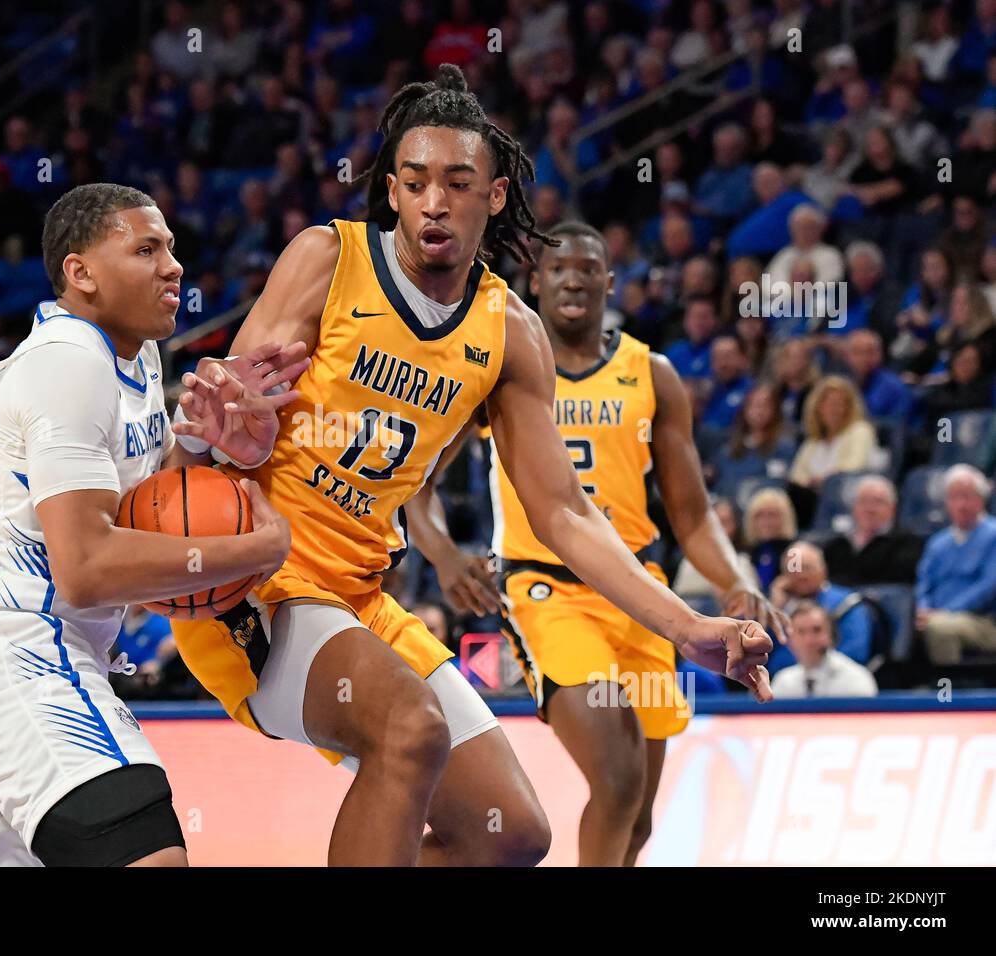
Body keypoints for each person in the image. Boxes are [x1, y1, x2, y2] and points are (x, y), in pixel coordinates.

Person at [169, 65, 772, 867]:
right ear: (390, 191)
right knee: (408, 728)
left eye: (457, 182)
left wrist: (686, 624)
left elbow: (562, 512)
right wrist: (210, 440)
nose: (433, 201)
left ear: (493, 197)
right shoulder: (326, 258)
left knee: (511, 833)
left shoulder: (509, 333)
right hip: (258, 586)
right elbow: (216, 426)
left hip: (360, 599)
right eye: (414, 181)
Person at [0, 183, 306, 868]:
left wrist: (208, 448)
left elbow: (143, 515)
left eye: (173, 249)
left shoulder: (135, 361)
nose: (173, 266)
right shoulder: (70, 363)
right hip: (19, 661)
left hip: (19, 670)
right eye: (146, 248)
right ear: (81, 272)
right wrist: (261, 545)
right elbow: (87, 566)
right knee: (153, 855)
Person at [406, 222, 787, 866]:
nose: (573, 278)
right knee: (616, 775)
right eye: (558, 269)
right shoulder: (505, 368)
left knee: (636, 817)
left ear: (610, 283)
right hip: (545, 589)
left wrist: (736, 580)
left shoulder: (653, 374)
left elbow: (692, 516)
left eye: (588, 268)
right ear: (536, 283)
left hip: (640, 595)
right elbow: (417, 485)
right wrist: (443, 555)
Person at [915, 465, 996, 665]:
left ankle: (949, 687)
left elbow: (988, 587)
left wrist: (946, 612)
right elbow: (924, 582)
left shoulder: (993, 535)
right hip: (935, 616)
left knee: (940, 628)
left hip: (984, 621)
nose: (962, 504)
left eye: (968, 496)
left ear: (981, 500)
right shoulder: (937, 542)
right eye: (955, 497)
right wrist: (924, 609)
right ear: (947, 502)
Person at [768, 541, 877, 672]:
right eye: (793, 570)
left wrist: (810, 664)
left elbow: (856, 652)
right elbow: (765, 657)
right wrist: (774, 609)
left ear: (823, 570)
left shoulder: (847, 604)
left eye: (807, 568)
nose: (801, 575)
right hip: (787, 683)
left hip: (837, 680)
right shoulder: (781, 608)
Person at [821, 475, 924, 586]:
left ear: (893, 508)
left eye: (878, 502)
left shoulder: (909, 544)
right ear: (853, 507)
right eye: (863, 501)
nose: (869, 508)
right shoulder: (836, 545)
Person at [789, 375, 882, 490]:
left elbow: (854, 467)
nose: (834, 410)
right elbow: (795, 476)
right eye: (829, 404)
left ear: (849, 407)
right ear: (818, 409)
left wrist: (825, 481)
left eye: (840, 404)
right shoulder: (812, 442)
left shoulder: (860, 431)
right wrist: (809, 482)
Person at [770, 601, 877, 698]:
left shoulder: (856, 679)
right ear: (789, 640)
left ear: (832, 635)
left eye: (817, 630)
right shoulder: (783, 681)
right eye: (801, 632)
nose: (809, 640)